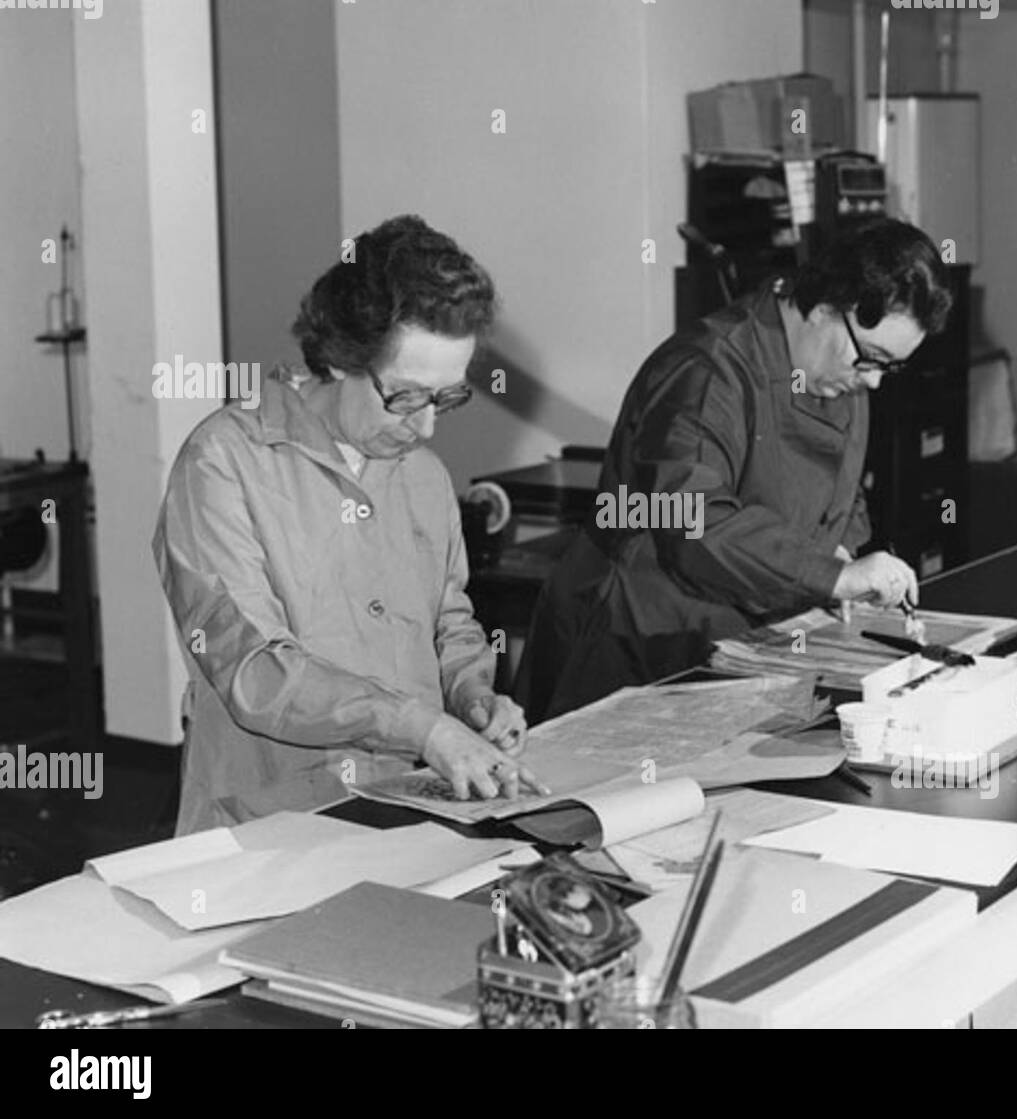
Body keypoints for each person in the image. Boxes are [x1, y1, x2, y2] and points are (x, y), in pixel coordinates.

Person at [154, 215, 545, 835]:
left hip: (410, 804)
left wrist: (472, 699)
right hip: (270, 821)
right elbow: (255, 672)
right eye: (407, 397)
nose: (426, 429)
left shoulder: (422, 474)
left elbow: (448, 622)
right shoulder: (224, 463)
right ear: (339, 359)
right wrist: (422, 726)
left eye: (446, 399)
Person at [517, 218, 952, 722]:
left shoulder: (839, 369)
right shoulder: (707, 370)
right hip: (640, 642)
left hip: (745, 639)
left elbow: (842, 492)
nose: (874, 382)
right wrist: (832, 575)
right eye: (871, 359)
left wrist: (839, 551)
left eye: (889, 367)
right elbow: (694, 521)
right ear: (828, 307)